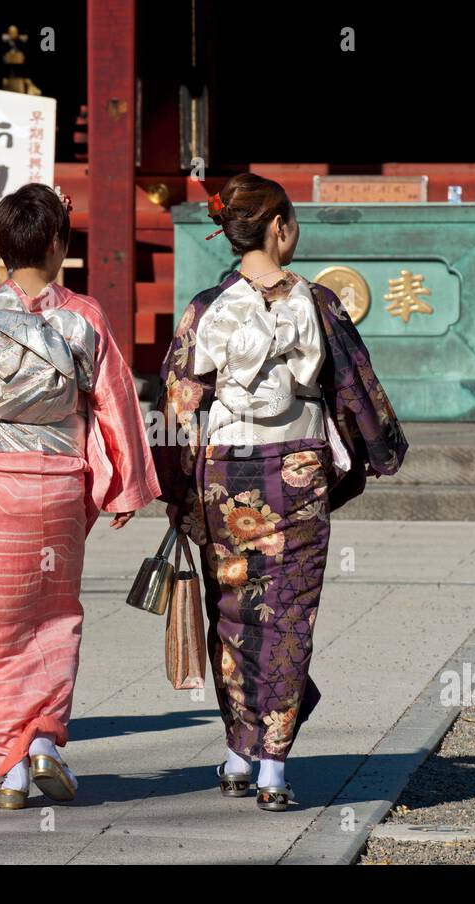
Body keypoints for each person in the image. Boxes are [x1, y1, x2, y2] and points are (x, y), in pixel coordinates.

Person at [151, 172, 408, 811]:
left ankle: (240, 750)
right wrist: (377, 452)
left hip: (222, 476)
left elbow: (178, 402)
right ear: (278, 227)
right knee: (289, 615)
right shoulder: (318, 303)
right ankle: (272, 765)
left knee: (233, 612)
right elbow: (355, 389)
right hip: (295, 470)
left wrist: (177, 488)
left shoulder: (204, 308)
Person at [0, 183, 160, 809]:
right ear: (58, 244)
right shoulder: (86, 316)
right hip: (61, 485)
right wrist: (124, 484)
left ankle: (8, 766)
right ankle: (45, 739)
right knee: (56, 613)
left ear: (2, 246)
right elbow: (114, 403)